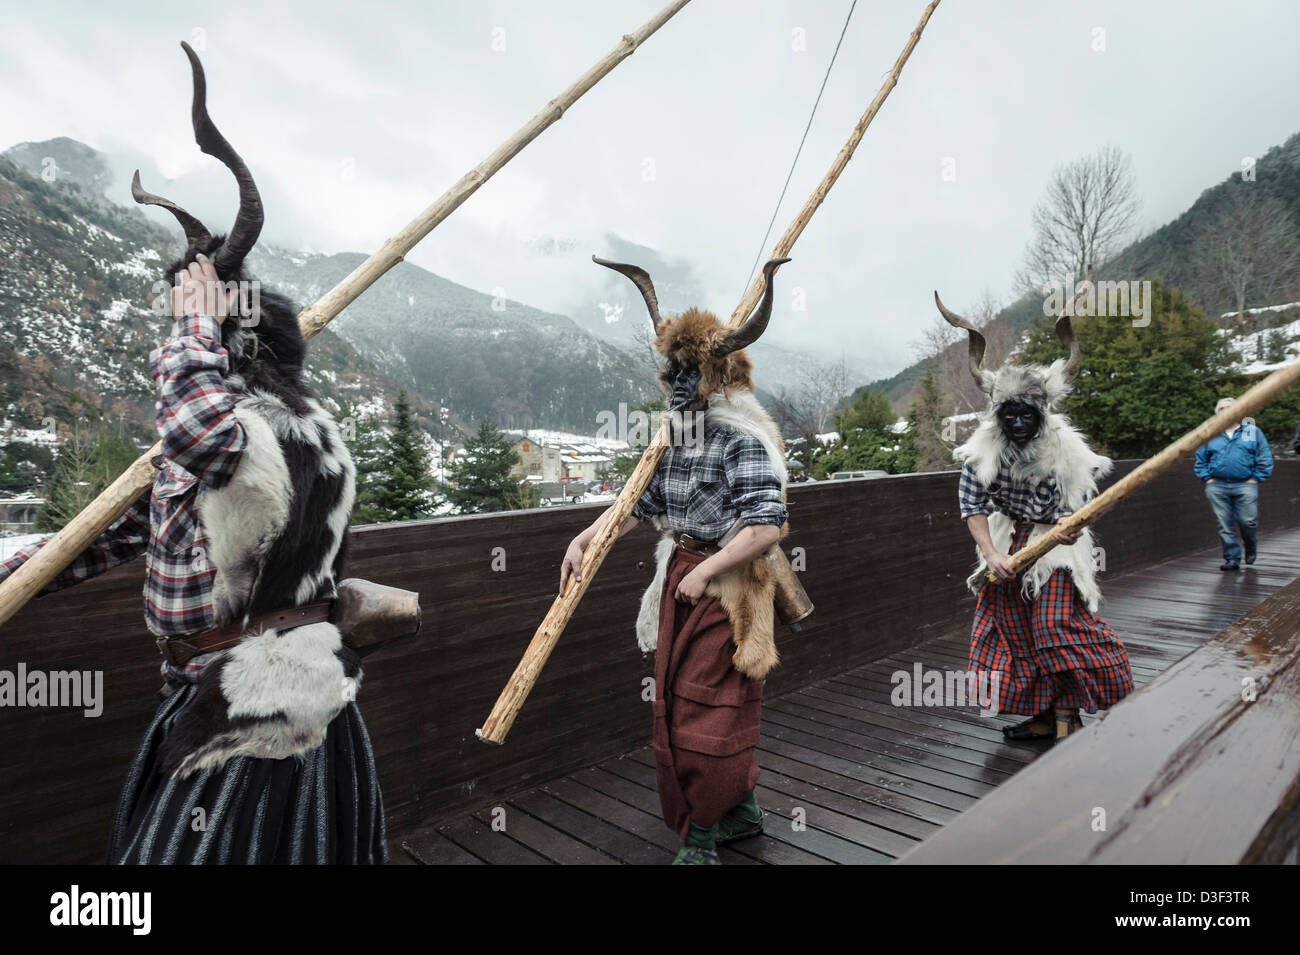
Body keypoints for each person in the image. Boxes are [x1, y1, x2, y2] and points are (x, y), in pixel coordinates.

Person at [0, 44, 386, 863]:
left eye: (208, 331)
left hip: (266, 706)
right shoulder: (222, 454)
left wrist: (195, 320)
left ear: (230, 339)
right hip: (200, 690)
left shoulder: (279, 434)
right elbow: (120, 534)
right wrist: (20, 572)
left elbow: (196, 426)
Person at [561, 256, 791, 865]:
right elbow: (641, 503)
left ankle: (702, 835)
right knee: (674, 698)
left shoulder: (742, 438)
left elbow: (765, 525)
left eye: (691, 370)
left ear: (716, 375)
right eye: (673, 370)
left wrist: (708, 570)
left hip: (730, 586)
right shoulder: (678, 436)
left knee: (707, 710)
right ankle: (739, 810)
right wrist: (586, 536)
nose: (678, 382)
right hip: (682, 579)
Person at [935, 293, 1134, 743]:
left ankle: (1094, 702)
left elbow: (1076, 507)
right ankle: (1051, 716)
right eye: (1010, 413)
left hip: (1055, 541)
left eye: (1027, 413)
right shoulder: (982, 451)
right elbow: (972, 504)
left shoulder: (1065, 449)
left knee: (1054, 624)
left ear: (1041, 412)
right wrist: (990, 556)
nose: (1019, 422)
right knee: (1014, 628)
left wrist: (1071, 526)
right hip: (1006, 541)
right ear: (997, 414)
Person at [1194, 396, 1274, 570]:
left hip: (1246, 484)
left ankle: (1250, 547)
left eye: (1229, 408)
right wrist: (1208, 478)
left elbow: (1264, 457)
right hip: (1217, 485)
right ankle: (1232, 559)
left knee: (1248, 521)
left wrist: (1256, 478)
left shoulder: (1252, 431)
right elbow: (1200, 459)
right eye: (1221, 409)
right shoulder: (1210, 433)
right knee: (1223, 523)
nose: (1226, 411)